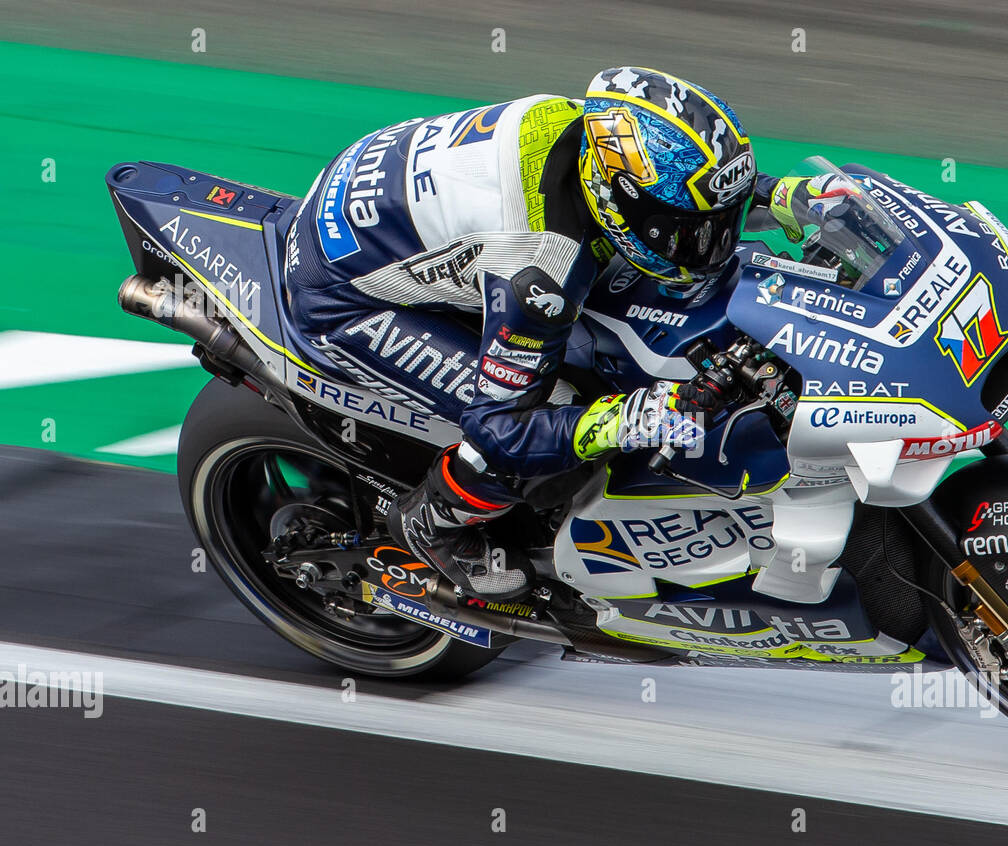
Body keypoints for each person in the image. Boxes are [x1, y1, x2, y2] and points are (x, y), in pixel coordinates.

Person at [283, 66, 808, 600]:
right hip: (344, 297)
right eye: (689, 235)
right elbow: (504, 429)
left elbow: (680, 196)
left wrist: (776, 195)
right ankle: (433, 522)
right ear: (615, 201)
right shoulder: (543, 265)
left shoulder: (594, 137)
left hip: (377, 198)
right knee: (558, 407)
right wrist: (638, 414)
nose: (710, 247)